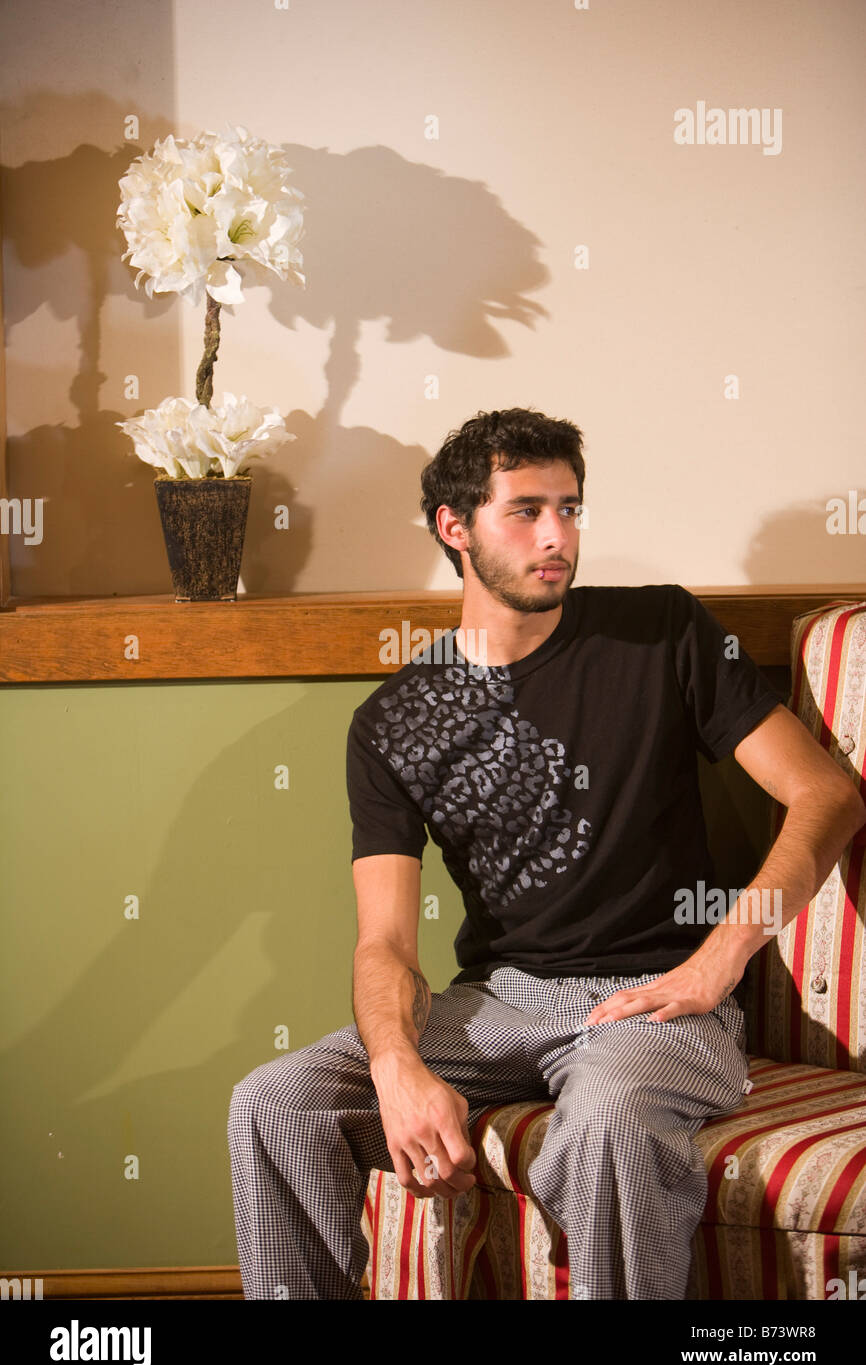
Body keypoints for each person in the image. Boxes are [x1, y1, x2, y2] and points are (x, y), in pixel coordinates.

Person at [228, 407, 865, 1300]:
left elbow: (826, 795)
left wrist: (719, 961)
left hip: (654, 997)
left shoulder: (663, 633)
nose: (557, 536)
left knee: (606, 1118)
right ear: (456, 528)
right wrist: (395, 1065)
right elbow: (386, 946)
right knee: (274, 1102)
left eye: (569, 509)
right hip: (496, 1004)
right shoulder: (393, 723)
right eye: (526, 511)